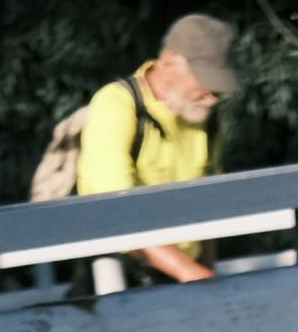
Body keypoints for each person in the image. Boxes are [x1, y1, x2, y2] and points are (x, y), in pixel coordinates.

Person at [71, 14, 238, 282]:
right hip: (119, 280)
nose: (213, 97)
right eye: (205, 79)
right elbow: (116, 215)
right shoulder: (116, 105)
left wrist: (205, 272)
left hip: (186, 278)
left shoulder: (203, 117)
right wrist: (196, 277)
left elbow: (206, 203)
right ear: (169, 61)